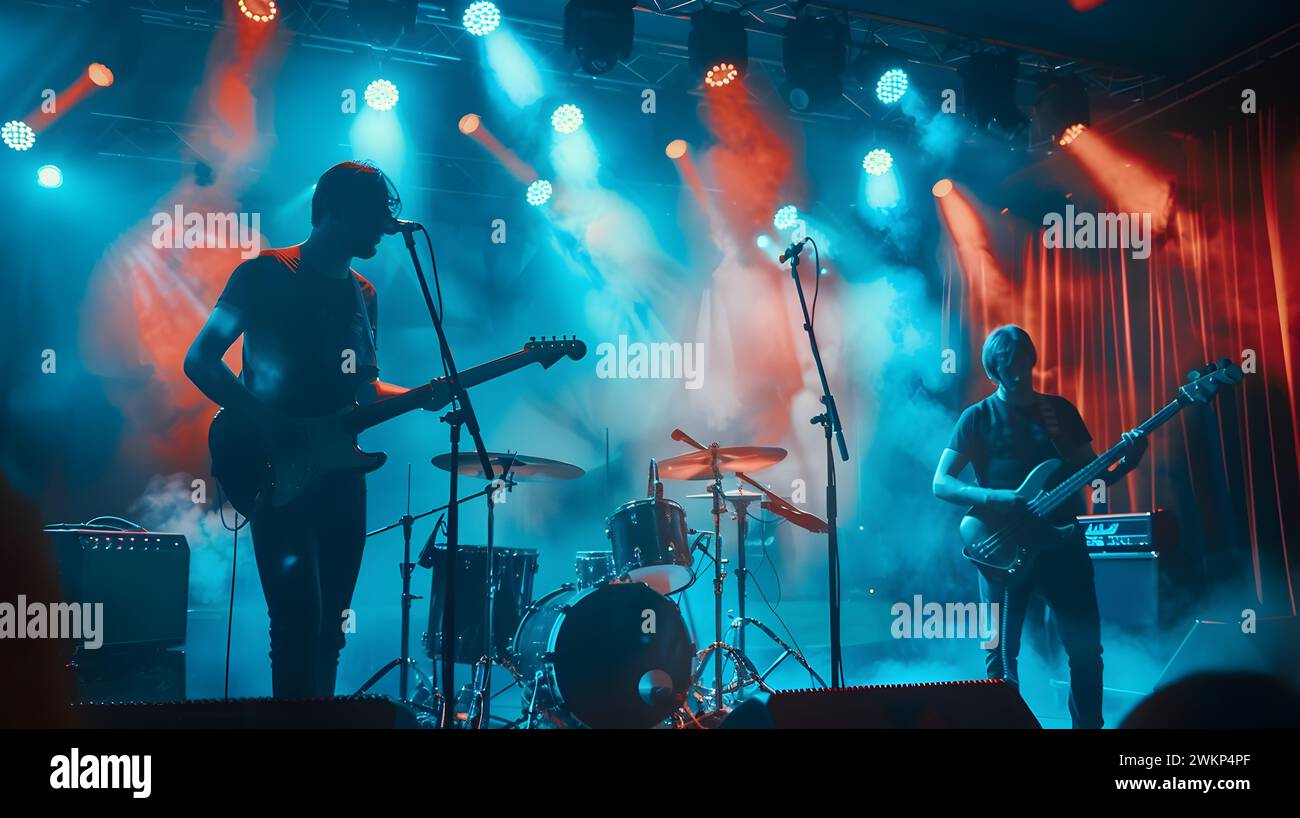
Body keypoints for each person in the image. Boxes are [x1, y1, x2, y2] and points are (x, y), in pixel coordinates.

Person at [185, 161, 424, 698]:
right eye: (374, 214)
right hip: (278, 468)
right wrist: (269, 424)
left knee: (331, 628)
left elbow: (365, 393)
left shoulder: (363, 295)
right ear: (335, 211)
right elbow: (200, 360)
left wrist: (423, 396)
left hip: (341, 477)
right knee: (295, 625)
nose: (384, 227)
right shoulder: (265, 274)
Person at [932, 325, 1147, 728]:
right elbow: (940, 482)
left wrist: (1129, 461)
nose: (1016, 376)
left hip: (1063, 548)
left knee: (1085, 652)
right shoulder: (976, 418)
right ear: (993, 371)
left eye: (1022, 366)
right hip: (1003, 547)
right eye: (1006, 369)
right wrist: (996, 498)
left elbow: (1095, 475)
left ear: (1032, 361)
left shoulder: (1059, 411)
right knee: (999, 655)